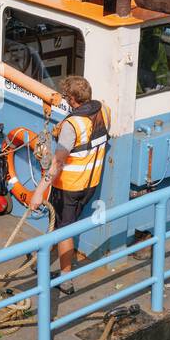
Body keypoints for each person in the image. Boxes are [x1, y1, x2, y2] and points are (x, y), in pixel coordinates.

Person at [28, 75, 111, 295]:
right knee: (61, 222)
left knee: (65, 230)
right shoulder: (104, 111)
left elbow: (57, 163)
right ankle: (44, 253)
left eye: (66, 97)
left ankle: (66, 278)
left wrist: (38, 193)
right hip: (90, 183)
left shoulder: (71, 126)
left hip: (70, 187)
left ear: (72, 99)